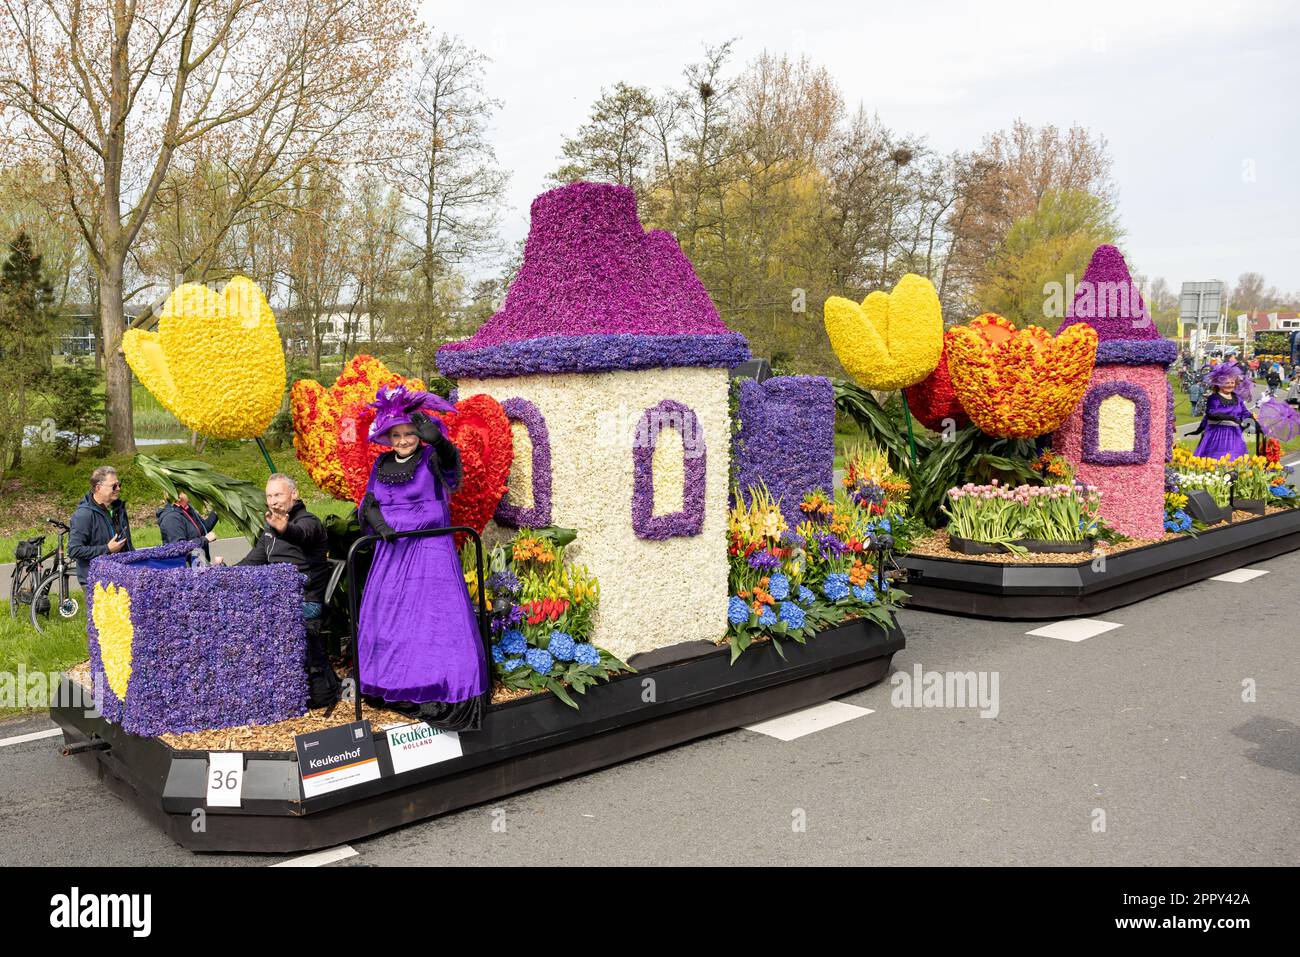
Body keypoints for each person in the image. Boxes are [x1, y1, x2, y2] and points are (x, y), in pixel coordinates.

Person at [355, 385, 486, 731]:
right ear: (387, 437)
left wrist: (441, 444)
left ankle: (437, 687)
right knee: (390, 620)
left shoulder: (430, 458)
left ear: (420, 433)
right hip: (392, 553)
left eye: (409, 433)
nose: (403, 440)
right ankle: (397, 686)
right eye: (396, 434)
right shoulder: (381, 464)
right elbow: (367, 503)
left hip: (429, 552)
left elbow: (452, 473)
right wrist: (377, 521)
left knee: (433, 620)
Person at [226, 473, 337, 708]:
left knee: (254, 619)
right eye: (269, 496)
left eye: (278, 494)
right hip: (277, 597)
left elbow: (301, 535)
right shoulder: (268, 530)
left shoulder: (309, 522)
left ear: (294, 495)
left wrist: (285, 528)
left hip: (307, 601)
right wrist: (222, 572)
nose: (273, 501)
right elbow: (252, 562)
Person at [68, 465, 133, 587]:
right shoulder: (84, 514)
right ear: (98, 488)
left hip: (122, 577)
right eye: (114, 486)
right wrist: (107, 549)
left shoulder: (119, 508)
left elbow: (127, 544)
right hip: (96, 582)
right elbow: (74, 550)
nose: (118, 488)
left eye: (119, 485)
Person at [1191, 361, 1256, 460]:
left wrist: (1252, 421)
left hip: (1235, 435)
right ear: (1219, 384)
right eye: (1227, 383)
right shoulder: (1214, 398)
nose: (1230, 385)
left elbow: (1245, 413)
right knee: (1216, 460)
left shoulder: (1237, 399)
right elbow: (1211, 413)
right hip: (1217, 435)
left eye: (1232, 383)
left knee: (1235, 460)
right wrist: (1231, 418)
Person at [157, 492, 219, 562]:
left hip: (199, 564)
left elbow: (203, 529)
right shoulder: (171, 518)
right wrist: (204, 540)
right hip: (185, 568)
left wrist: (218, 510)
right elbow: (179, 548)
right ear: (179, 495)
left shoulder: (186, 509)